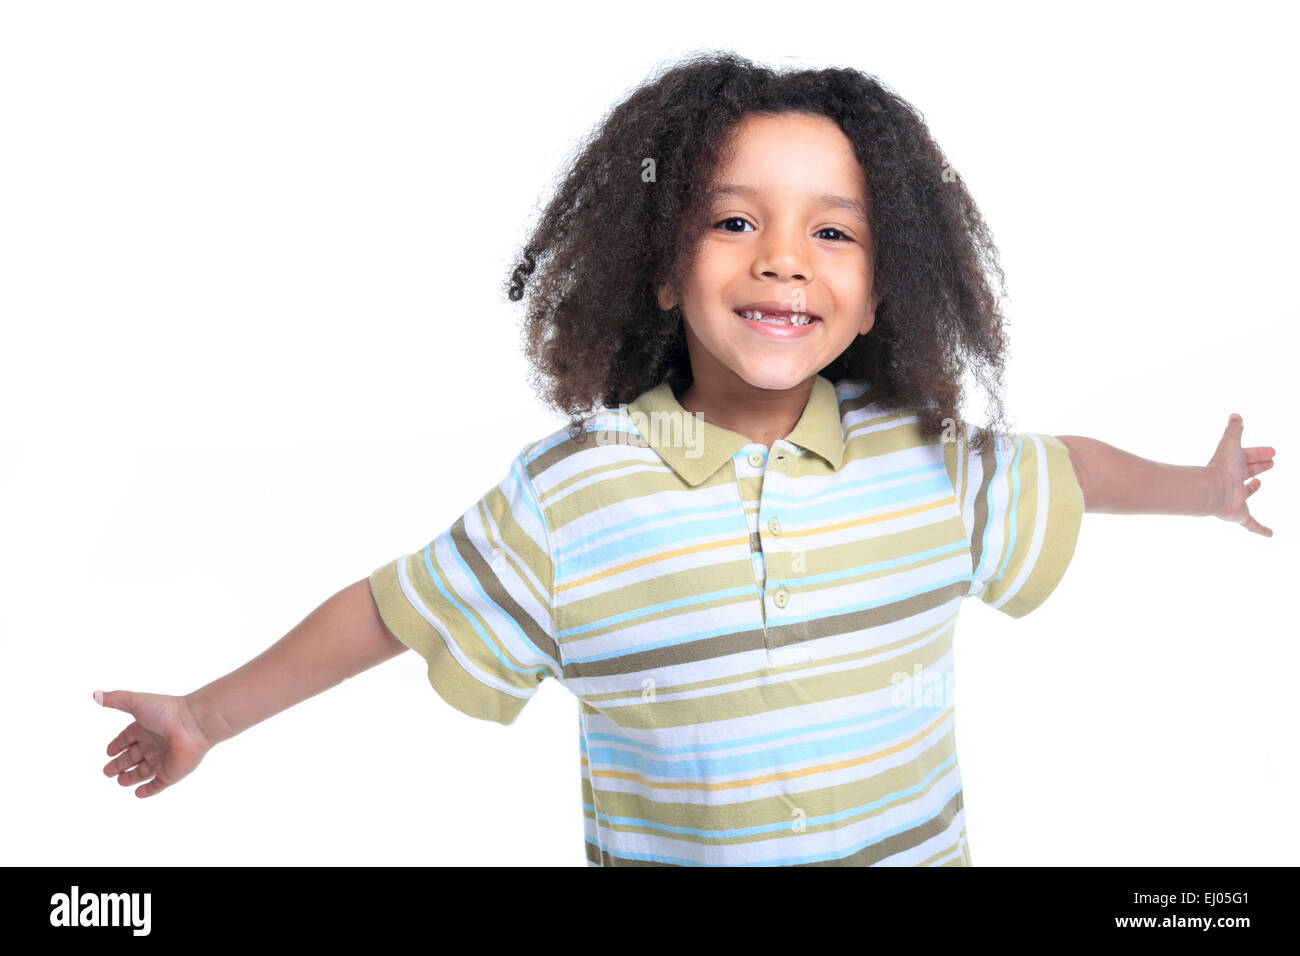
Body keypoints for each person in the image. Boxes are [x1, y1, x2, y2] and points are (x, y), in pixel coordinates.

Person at [95, 51, 1275, 866]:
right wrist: (205, 713)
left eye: (831, 229)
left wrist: (1203, 489)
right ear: (661, 269)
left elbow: (1073, 469)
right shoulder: (576, 492)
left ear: (880, 295)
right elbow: (393, 609)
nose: (781, 258)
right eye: (731, 219)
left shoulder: (934, 462)